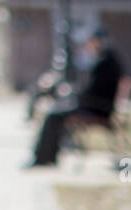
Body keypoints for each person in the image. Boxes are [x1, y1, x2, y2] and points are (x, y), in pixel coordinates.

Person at [26, 28, 125, 168]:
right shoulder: (108, 60)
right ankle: (47, 156)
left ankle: (43, 158)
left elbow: (93, 91)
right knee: (56, 111)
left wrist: (74, 95)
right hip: (97, 106)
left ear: (98, 42)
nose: (89, 46)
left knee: (54, 115)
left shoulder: (105, 63)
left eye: (91, 42)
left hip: (98, 108)